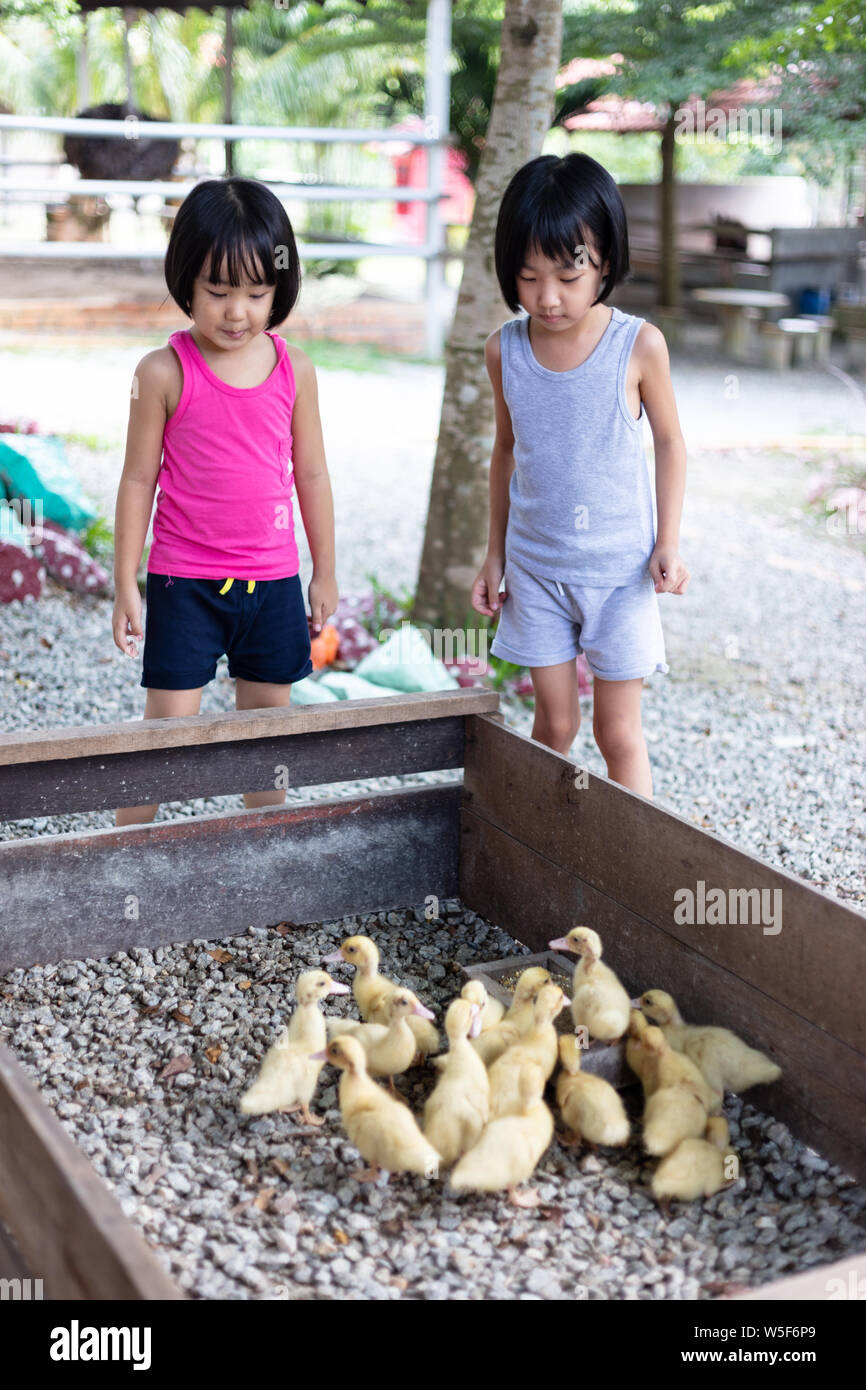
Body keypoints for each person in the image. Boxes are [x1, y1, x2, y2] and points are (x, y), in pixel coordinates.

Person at [112, 176, 338, 824]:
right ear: (186, 281)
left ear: (279, 290)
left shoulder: (297, 370)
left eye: (256, 293)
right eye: (218, 291)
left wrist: (324, 570)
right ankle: (125, 854)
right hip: (183, 584)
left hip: (271, 585)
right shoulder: (161, 371)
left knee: (267, 739)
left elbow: (313, 476)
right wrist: (125, 581)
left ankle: (263, 855)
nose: (236, 311)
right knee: (165, 737)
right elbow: (136, 480)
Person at [471, 152, 689, 797]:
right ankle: (541, 857)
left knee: (617, 736)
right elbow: (505, 451)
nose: (548, 297)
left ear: (606, 259)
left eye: (569, 275)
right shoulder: (503, 349)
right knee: (554, 726)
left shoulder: (638, 345)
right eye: (529, 276)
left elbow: (673, 443)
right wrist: (494, 555)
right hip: (536, 571)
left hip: (620, 573)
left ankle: (634, 870)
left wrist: (668, 542)